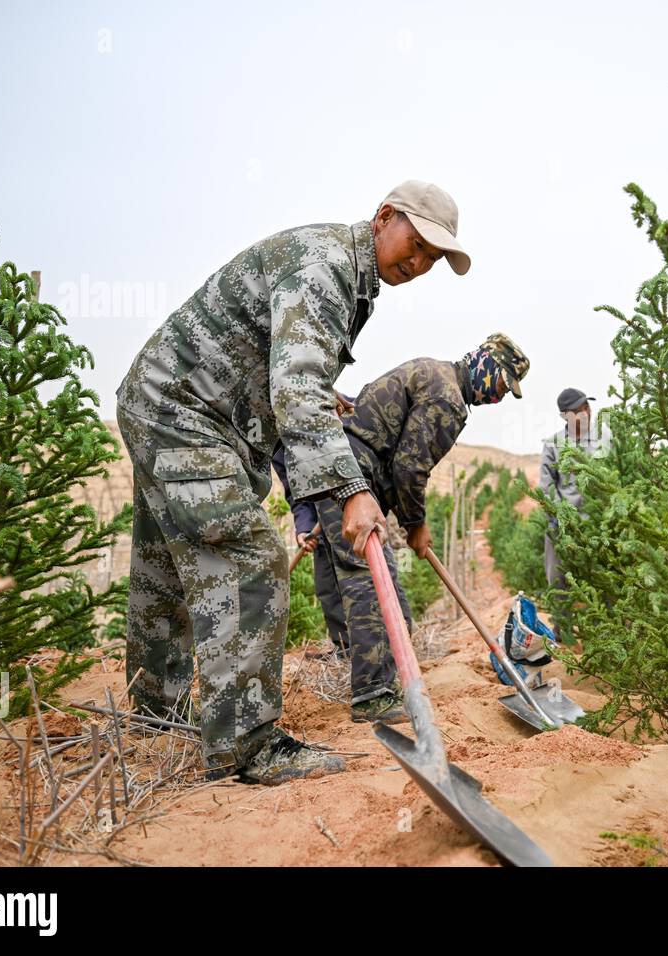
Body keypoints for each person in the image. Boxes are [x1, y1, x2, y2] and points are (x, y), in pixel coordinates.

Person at [116, 180, 471, 785]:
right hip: (188, 413)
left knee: (165, 565)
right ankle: (246, 746)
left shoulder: (346, 273)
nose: (418, 264)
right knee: (252, 559)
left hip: (164, 400)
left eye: (432, 259)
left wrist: (323, 395)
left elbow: (285, 364)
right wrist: (352, 491)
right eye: (414, 245)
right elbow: (295, 388)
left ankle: (156, 717)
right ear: (384, 217)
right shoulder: (327, 266)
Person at [275, 334, 529, 722]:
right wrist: (416, 523)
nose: (497, 397)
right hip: (351, 469)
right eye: (501, 385)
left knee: (336, 568)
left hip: (331, 460)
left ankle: (349, 657)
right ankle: (373, 692)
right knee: (373, 580)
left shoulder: (434, 370)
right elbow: (410, 467)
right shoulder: (449, 398)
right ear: (485, 366)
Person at [538, 387, 608, 590]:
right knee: (557, 576)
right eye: (578, 411)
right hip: (564, 521)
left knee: (606, 578)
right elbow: (546, 487)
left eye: (587, 406)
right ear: (565, 416)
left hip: (599, 522)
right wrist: (564, 518)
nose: (585, 413)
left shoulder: (605, 439)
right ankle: (562, 619)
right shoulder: (553, 445)